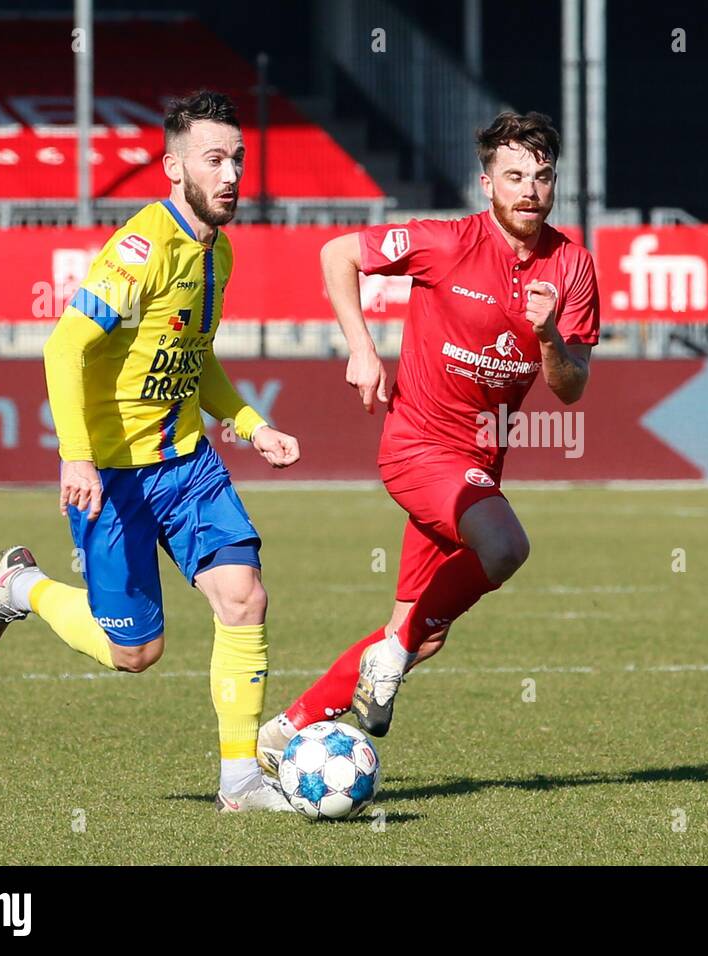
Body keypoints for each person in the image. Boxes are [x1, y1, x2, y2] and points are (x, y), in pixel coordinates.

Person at [0, 90, 302, 810]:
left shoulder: (221, 256)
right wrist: (76, 454)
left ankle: (241, 783)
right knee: (136, 655)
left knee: (244, 598)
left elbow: (197, 358)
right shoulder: (140, 250)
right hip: (112, 478)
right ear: (173, 167)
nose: (231, 175)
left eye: (237, 159)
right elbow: (64, 346)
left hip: (187, 467)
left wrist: (251, 424)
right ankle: (22, 588)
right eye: (213, 159)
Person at [257, 111, 599, 768]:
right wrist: (361, 349)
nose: (529, 189)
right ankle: (385, 660)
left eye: (543, 176)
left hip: (478, 466)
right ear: (487, 183)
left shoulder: (575, 266)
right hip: (416, 448)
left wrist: (550, 335)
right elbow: (339, 254)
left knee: (418, 634)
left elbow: (572, 387)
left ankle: (285, 730)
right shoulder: (445, 242)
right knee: (504, 547)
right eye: (514, 175)